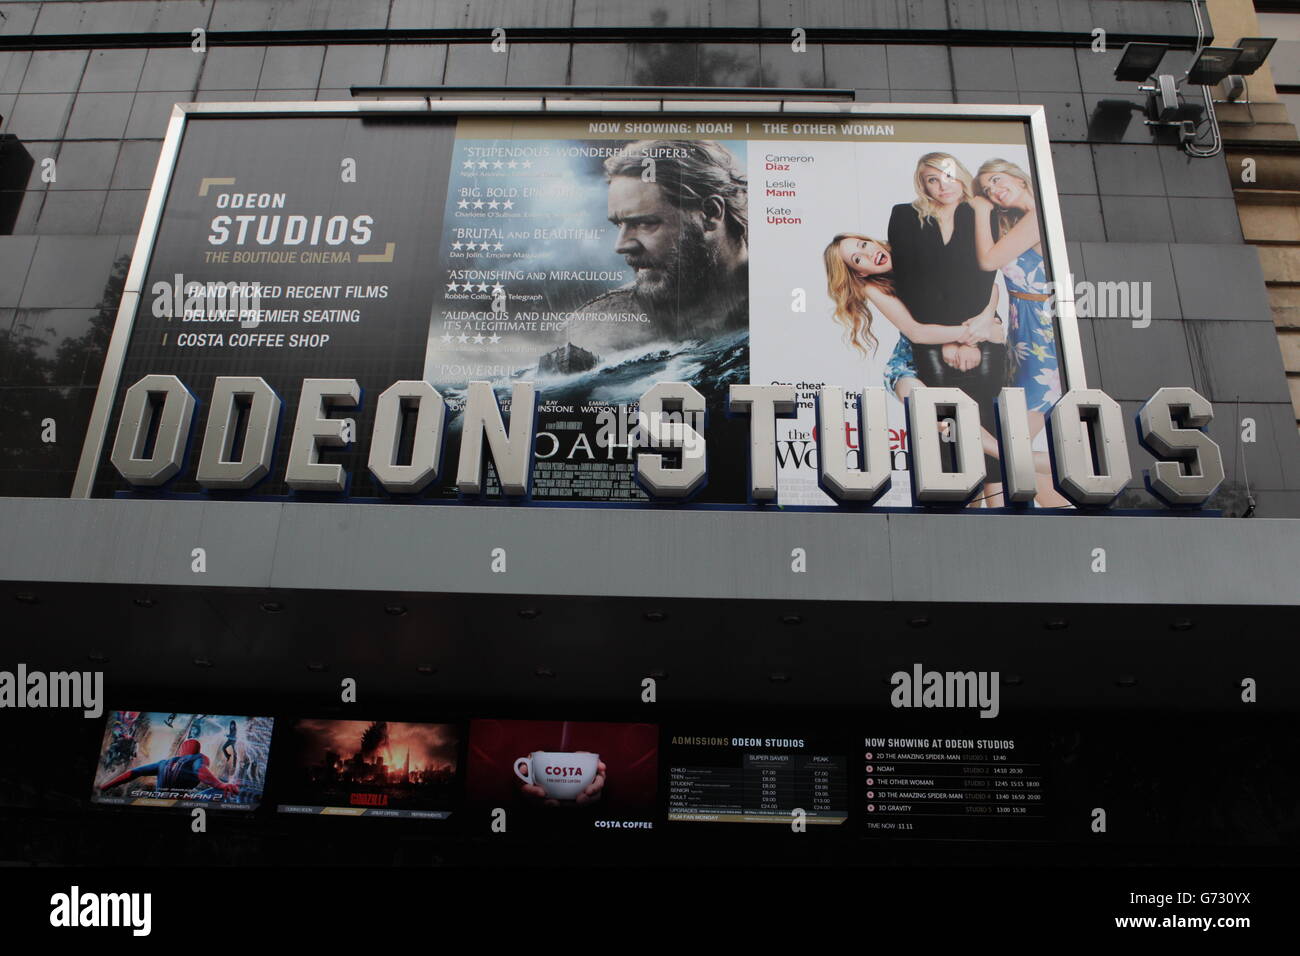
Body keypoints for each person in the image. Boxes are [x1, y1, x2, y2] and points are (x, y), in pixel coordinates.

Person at [885, 152, 1007, 500]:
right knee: (946, 422)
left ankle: (996, 509)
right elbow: (909, 282)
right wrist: (948, 340)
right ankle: (956, 506)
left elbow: (987, 276)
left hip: (981, 334)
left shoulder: (979, 212)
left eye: (948, 176)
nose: (942, 186)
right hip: (932, 336)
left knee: (985, 413)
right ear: (921, 185)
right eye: (932, 180)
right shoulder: (905, 215)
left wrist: (974, 334)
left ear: (962, 176)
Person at [569, 139, 748, 351]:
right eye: (619, 225)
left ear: (710, 212)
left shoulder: (780, 304)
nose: (621, 245)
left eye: (645, 223)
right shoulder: (597, 328)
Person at [970, 158, 1069, 508]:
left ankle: (1072, 476)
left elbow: (988, 261)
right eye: (986, 190)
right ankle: (1068, 504)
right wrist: (985, 315)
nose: (993, 191)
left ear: (1017, 176)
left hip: (1043, 337)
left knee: (1011, 444)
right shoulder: (1015, 222)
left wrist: (980, 211)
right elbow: (995, 280)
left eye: (996, 180)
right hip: (1022, 333)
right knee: (1015, 445)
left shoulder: (1039, 215)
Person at [99, 738, 241, 799]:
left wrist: (106, 786)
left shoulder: (163, 762)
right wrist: (221, 784)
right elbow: (201, 771)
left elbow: (132, 773)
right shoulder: (198, 758)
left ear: (181, 750)